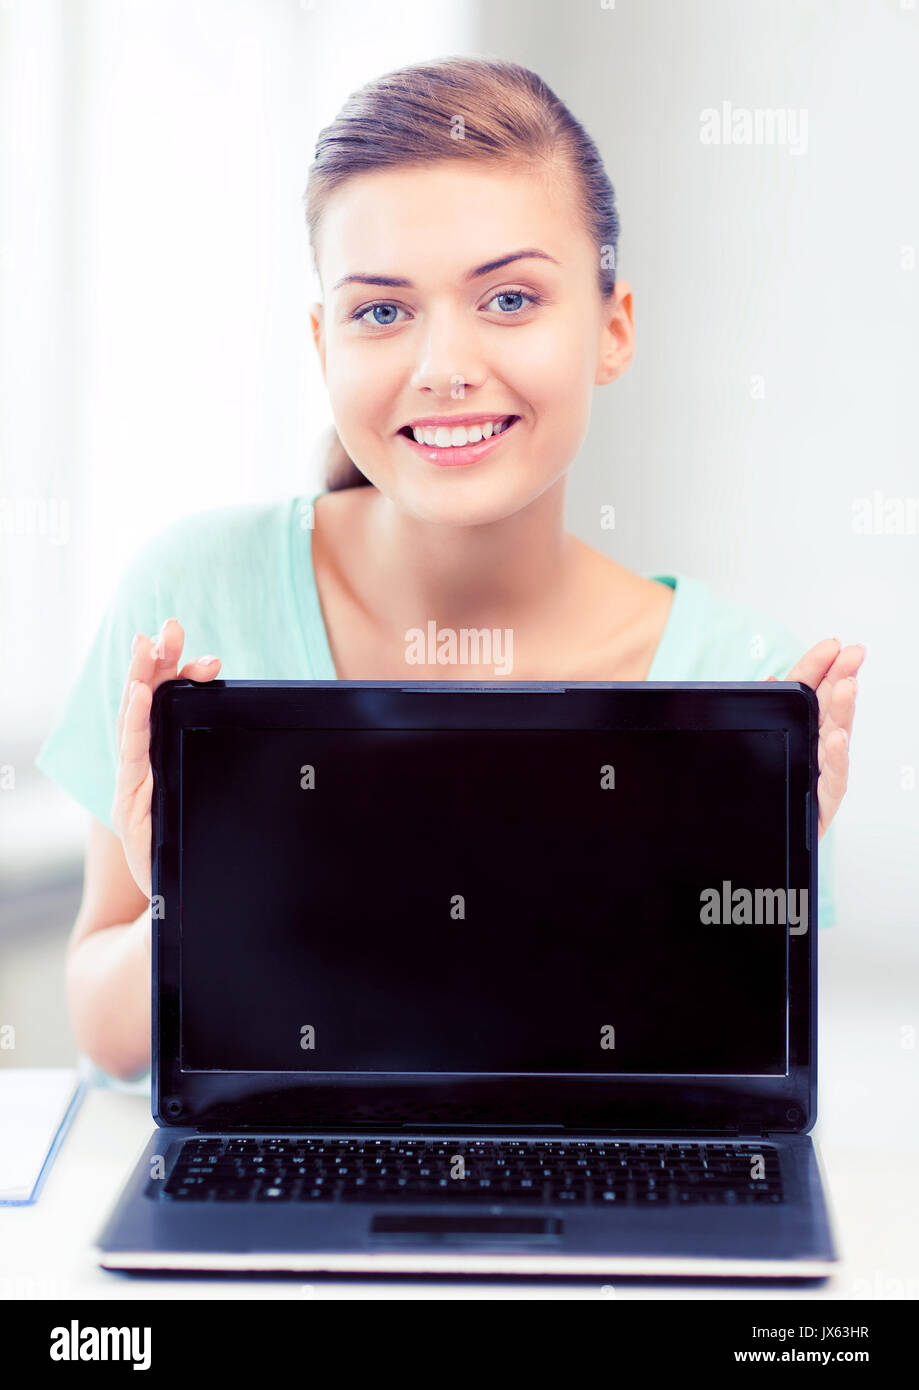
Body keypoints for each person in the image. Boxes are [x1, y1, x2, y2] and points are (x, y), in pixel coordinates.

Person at [35, 57, 863, 1089]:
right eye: (381, 312)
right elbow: (104, 1027)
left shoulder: (740, 677)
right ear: (322, 342)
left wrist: (743, 886)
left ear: (613, 328)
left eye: (509, 297)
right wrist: (202, 904)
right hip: (285, 1208)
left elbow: (718, 1081)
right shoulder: (190, 597)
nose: (442, 365)